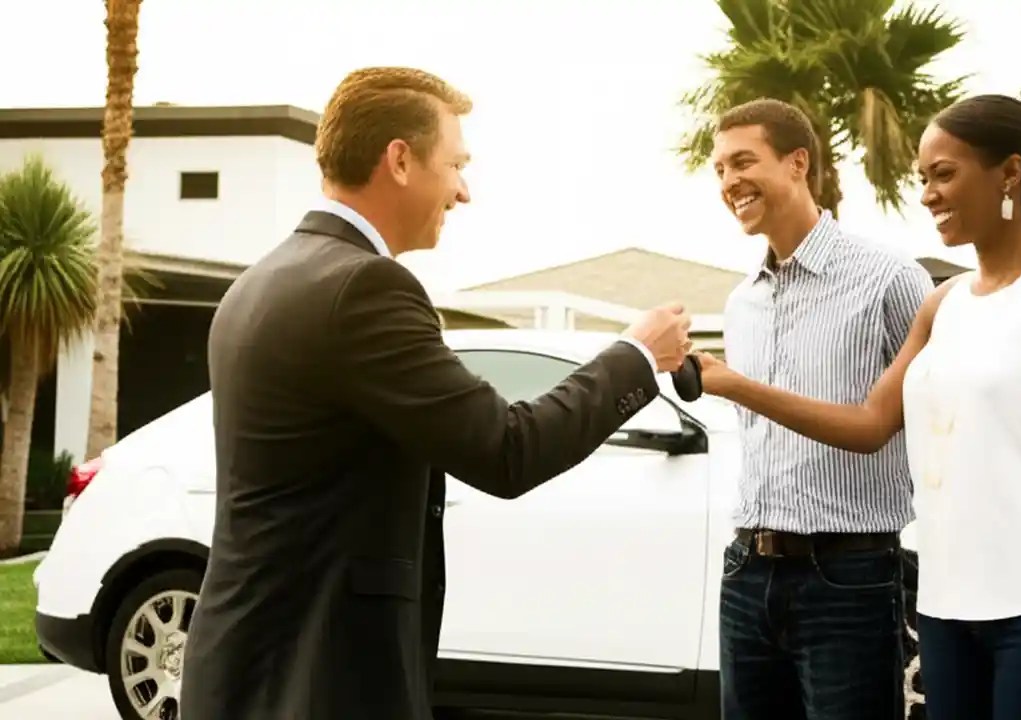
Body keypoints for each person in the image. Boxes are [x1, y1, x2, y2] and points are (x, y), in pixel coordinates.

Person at [178, 66, 692, 720]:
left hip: (240, 666)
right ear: (399, 160)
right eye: (455, 165)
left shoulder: (261, 281)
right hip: (320, 678)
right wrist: (638, 356)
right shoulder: (365, 287)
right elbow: (508, 449)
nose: (463, 191)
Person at [696, 93, 1021, 720]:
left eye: (944, 174)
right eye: (924, 178)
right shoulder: (942, 303)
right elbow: (869, 424)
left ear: (1010, 174)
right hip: (947, 606)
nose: (928, 195)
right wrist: (732, 383)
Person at [708, 97, 934, 720]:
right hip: (746, 571)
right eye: (720, 169)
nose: (729, 182)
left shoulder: (891, 279)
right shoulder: (740, 304)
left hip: (850, 575)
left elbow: (928, 425)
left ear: (798, 163)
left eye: (743, 162)